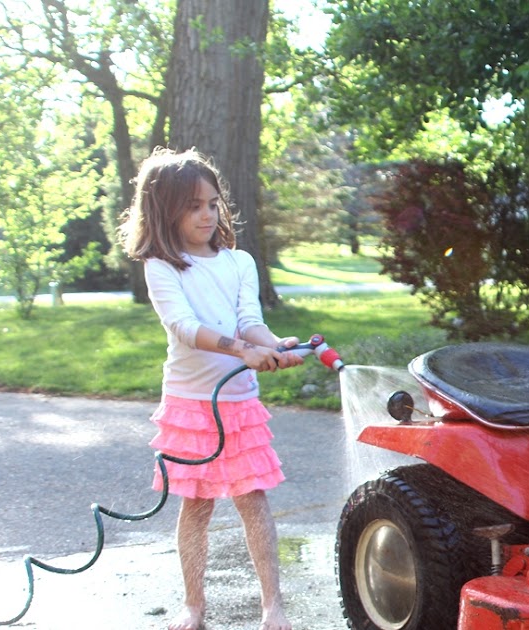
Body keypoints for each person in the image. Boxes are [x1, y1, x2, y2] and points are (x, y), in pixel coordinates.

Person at [118, 147, 303, 630]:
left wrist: (274, 344)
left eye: (212, 203)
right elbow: (183, 326)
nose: (206, 214)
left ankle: (272, 607)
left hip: (238, 401)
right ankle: (194, 607)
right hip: (189, 403)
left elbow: (251, 321)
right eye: (193, 205)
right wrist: (242, 350)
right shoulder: (162, 265)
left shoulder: (239, 262)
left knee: (252, 499)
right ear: (165, 210)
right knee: (196, 505)